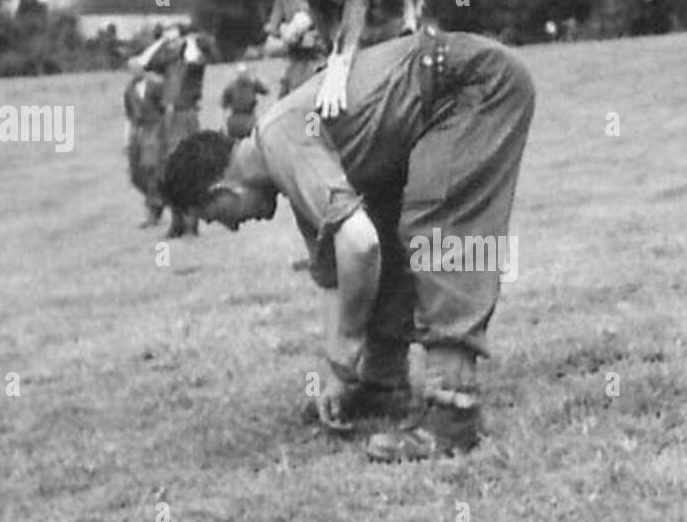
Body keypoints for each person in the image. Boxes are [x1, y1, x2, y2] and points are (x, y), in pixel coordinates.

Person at [161, 28, 535, 462]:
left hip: (471, 85)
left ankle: (453, 413)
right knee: (388, 228)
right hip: (441, 96)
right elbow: (337, 279)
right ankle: (381, 385)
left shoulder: (281, 137)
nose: (230, 228)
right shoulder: (293, 176)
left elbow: (359, 245)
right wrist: (339, 373)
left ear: (220, 190)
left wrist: (349, 344)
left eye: (215, 218)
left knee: (440, 224)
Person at [132, 25, 218, 238]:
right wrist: (162, 43)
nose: (170, 43)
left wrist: (187, 40)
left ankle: (191, 225)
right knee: (166, 172)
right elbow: (144, 62)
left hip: (185, 115)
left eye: (174, 39)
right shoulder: (168, 61)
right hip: (168, 119)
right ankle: (176, 223)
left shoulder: (194, 57)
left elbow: (200, 52)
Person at [123, 68, 168, 227]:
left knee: (150, 169)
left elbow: (166, 111)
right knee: (135, 174)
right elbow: (128, 116)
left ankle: (152, 213)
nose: (133, 69)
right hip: (138, 131)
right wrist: (127, 138)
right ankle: (157, 200)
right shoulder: (129, 90)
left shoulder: (156, 86)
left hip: (154, 129)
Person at [220, 62, 271, 140]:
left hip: (243, 119)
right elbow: (223, 106)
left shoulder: (252, 84)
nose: (243, 75)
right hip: (242, 120)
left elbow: (266, 91)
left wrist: (256, 80)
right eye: (242, 73)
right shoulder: (232, 87)